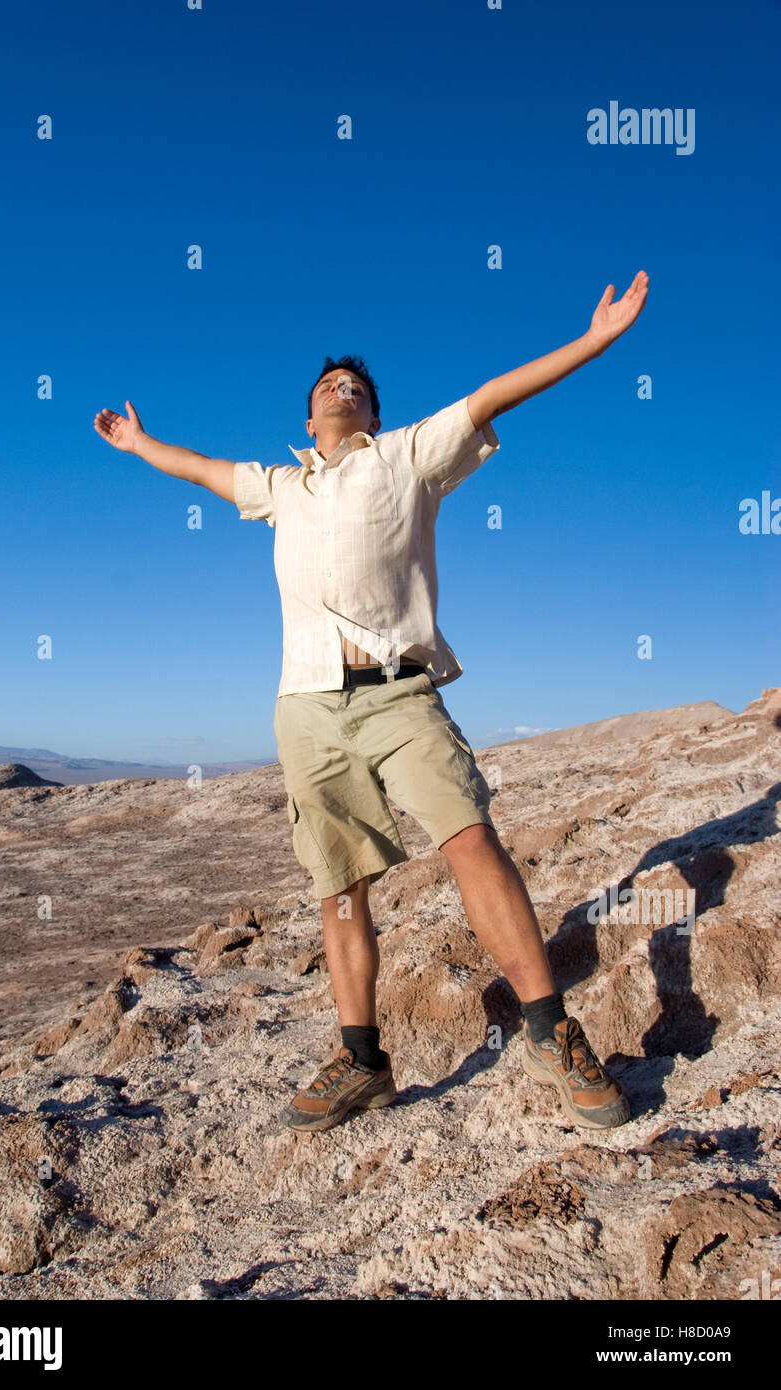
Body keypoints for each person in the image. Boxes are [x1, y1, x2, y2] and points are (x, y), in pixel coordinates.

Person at [93, 269, 649, 1135]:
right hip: (306, 707)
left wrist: (593, 341)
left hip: (399, 694)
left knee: (470, 840)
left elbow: (496, 392)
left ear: (376, 415)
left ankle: (550, 1032)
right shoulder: (280, 488)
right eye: (326, 387)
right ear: (307, 421)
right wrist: (137, 443)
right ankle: (362, 1063)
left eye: (356, 386)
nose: (341, 390)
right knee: (339, 886)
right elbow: (201, 470)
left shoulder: (410, 456)